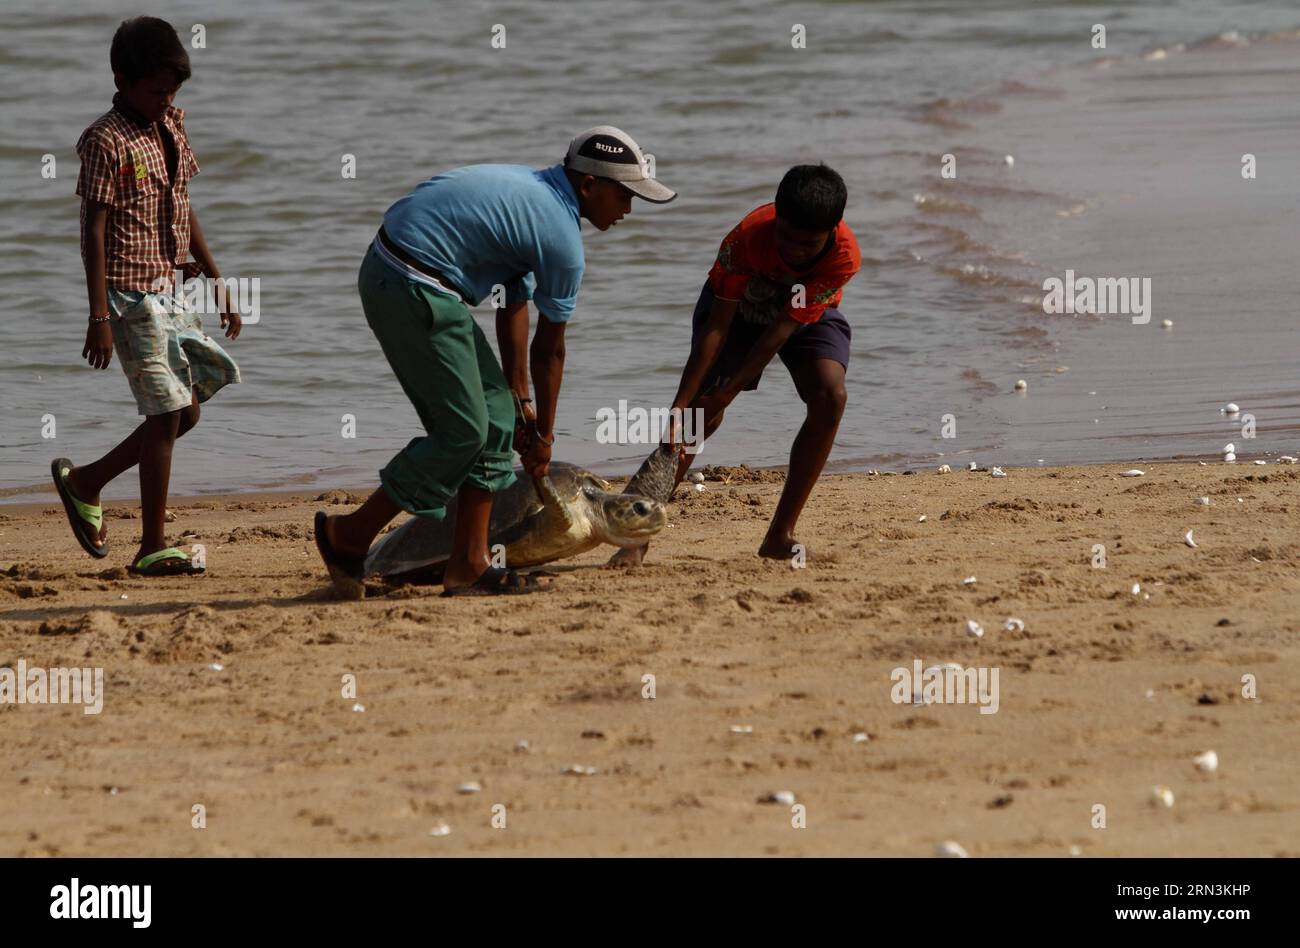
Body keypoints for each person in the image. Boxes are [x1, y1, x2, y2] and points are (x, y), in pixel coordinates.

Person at [315, 126, 676, 598]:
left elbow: (511, 301)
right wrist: (545, 436)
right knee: (462, 432)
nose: (628, 211)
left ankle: (468, 562)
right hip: (409, 283)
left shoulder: (536, 194)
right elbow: (551, 350)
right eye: (625, 196)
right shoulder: (563, 239)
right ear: (589, 186)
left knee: (499, 419)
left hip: (407, 274)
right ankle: (350, 535)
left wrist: (521, 399)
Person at [54, 16, 242, 577]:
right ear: (122, 79)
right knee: (165, 415)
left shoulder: (172, 126)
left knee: (188, 411)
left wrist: (216, 277)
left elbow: (185, 208)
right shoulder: (104, 140)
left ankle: (85, 481)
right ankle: (152, 545)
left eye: (173, 90)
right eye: (156, 90)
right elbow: (92, 231)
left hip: (169, 287)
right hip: (128, 298)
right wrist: (97, 317)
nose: (166, 100)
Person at [609, 164, 858, 566]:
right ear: (776, 215)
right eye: (787, 238)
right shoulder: (746, 238)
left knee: (831, 395)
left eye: (807, 245)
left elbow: (782, 329)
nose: (794, 250)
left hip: (800, 312)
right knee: (699, 415)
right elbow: (717, 328)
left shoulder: (845, 255)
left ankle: (780, 535)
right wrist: (683, 405)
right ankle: (636, 538)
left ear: (832, 231)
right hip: (739, 309)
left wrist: (730, 389)